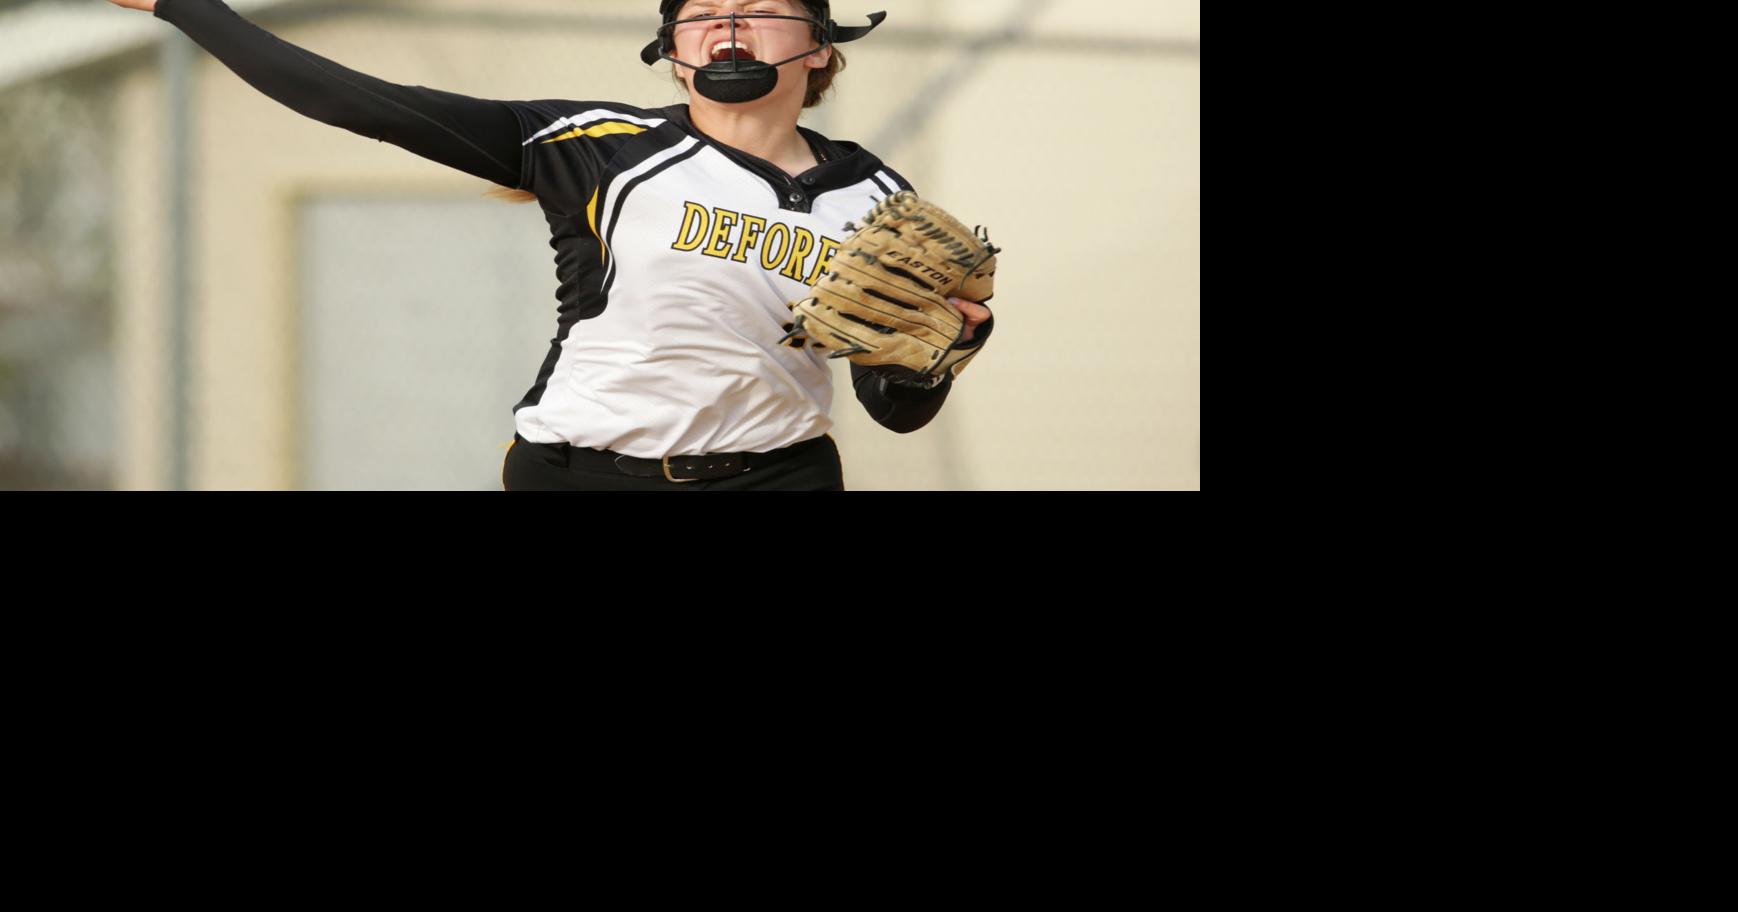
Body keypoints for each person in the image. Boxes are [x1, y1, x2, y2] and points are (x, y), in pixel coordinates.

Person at [106, 0, 995, 490]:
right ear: (671, 51)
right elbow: (359, 102)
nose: (728, 27)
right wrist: (188, 6)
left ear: (821, 49)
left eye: (760, 8)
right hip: (584, 477)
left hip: (782, 478)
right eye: (701, 13)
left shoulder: (879, 200)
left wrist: (948, 349)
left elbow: (894, 408)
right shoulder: (598, 146)